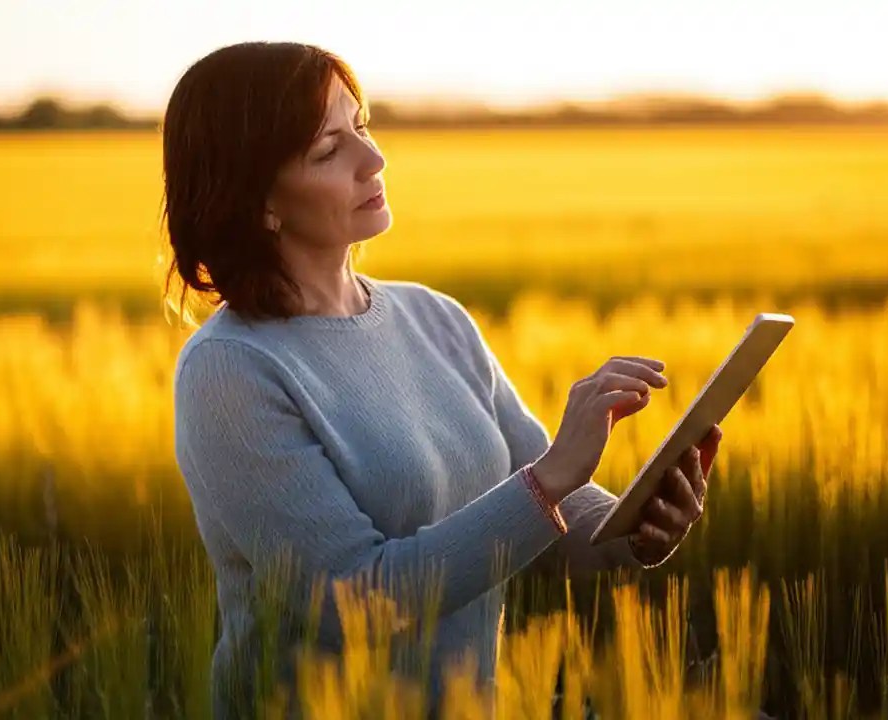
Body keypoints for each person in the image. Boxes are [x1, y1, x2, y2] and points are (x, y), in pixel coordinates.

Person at [161, 41, 722, 719]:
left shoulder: (435, 318)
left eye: (361, 126)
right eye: (328, 149)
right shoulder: (232, 371)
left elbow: (554, 519)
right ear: (258, 200)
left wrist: (636, 527)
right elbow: (357, 602)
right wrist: (552, 477)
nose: (375, 159)